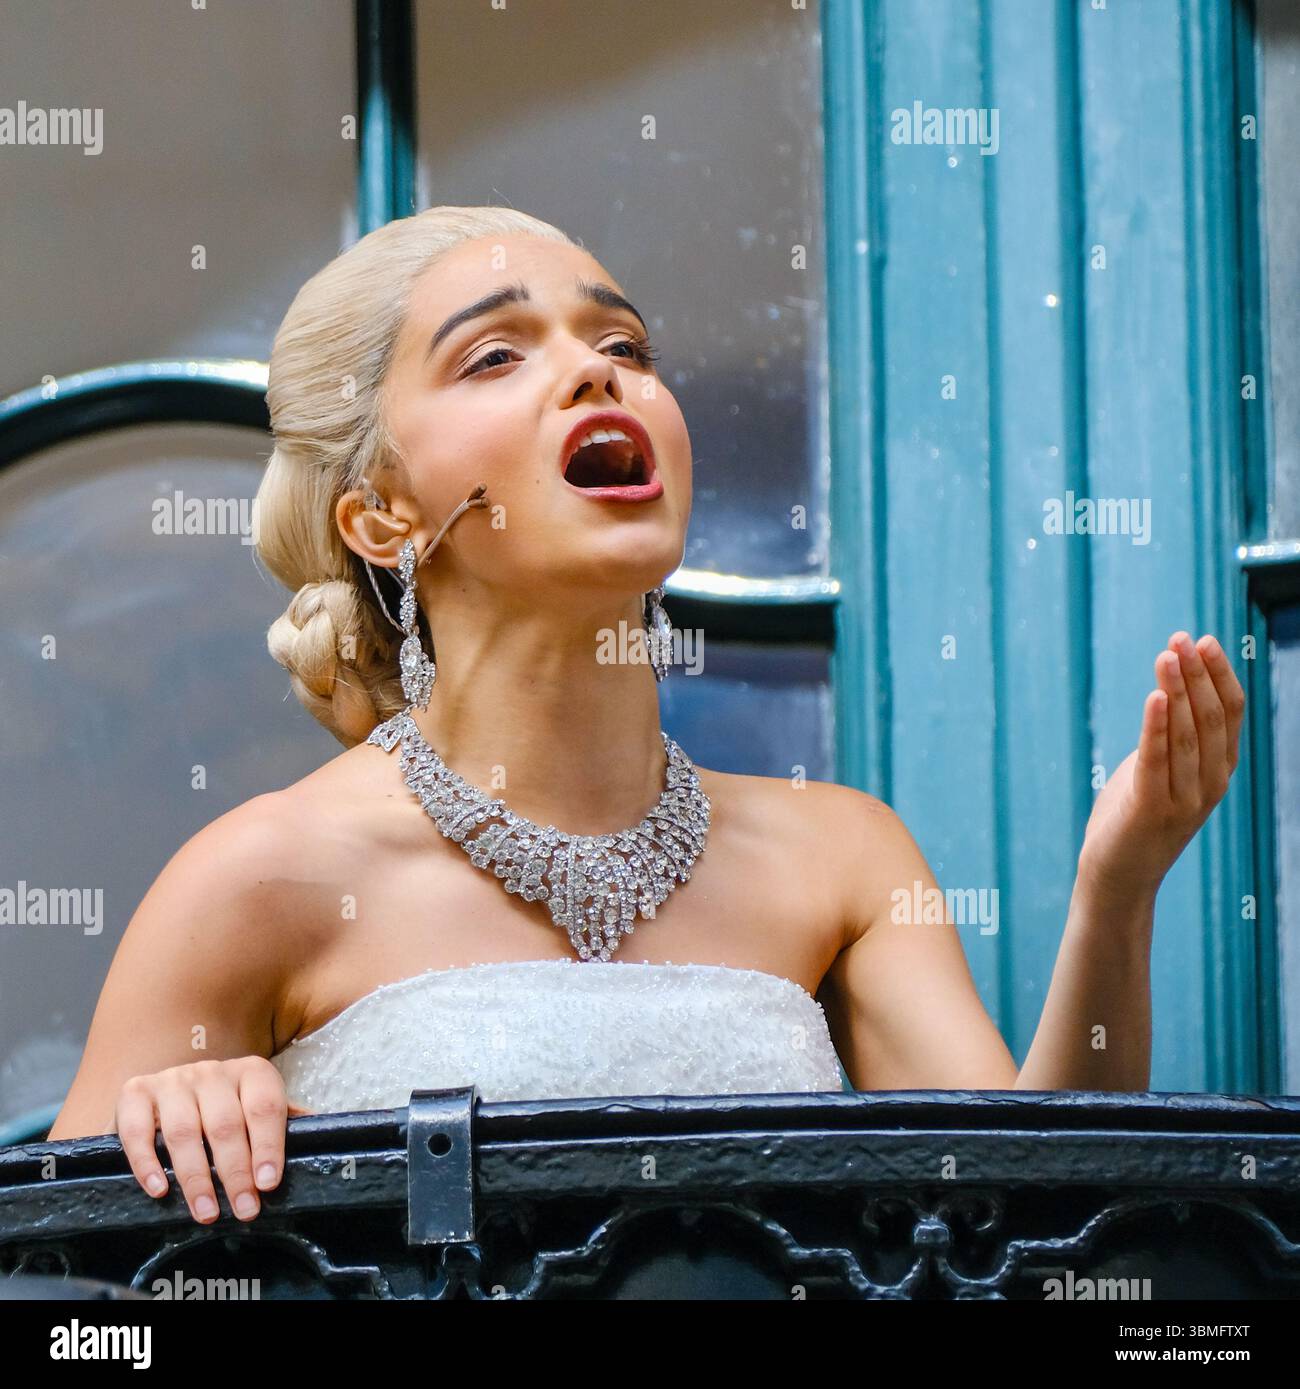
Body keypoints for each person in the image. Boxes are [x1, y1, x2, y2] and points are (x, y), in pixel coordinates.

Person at [46, 206, 1244, 1231]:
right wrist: (163, 1142)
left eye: (621, 342)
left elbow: (1028, 1229)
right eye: (493, 357)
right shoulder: (260, 878)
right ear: (380, 518)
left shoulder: (844, 855)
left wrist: (1118, 886)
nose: (595, 370)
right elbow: (71, 1317)